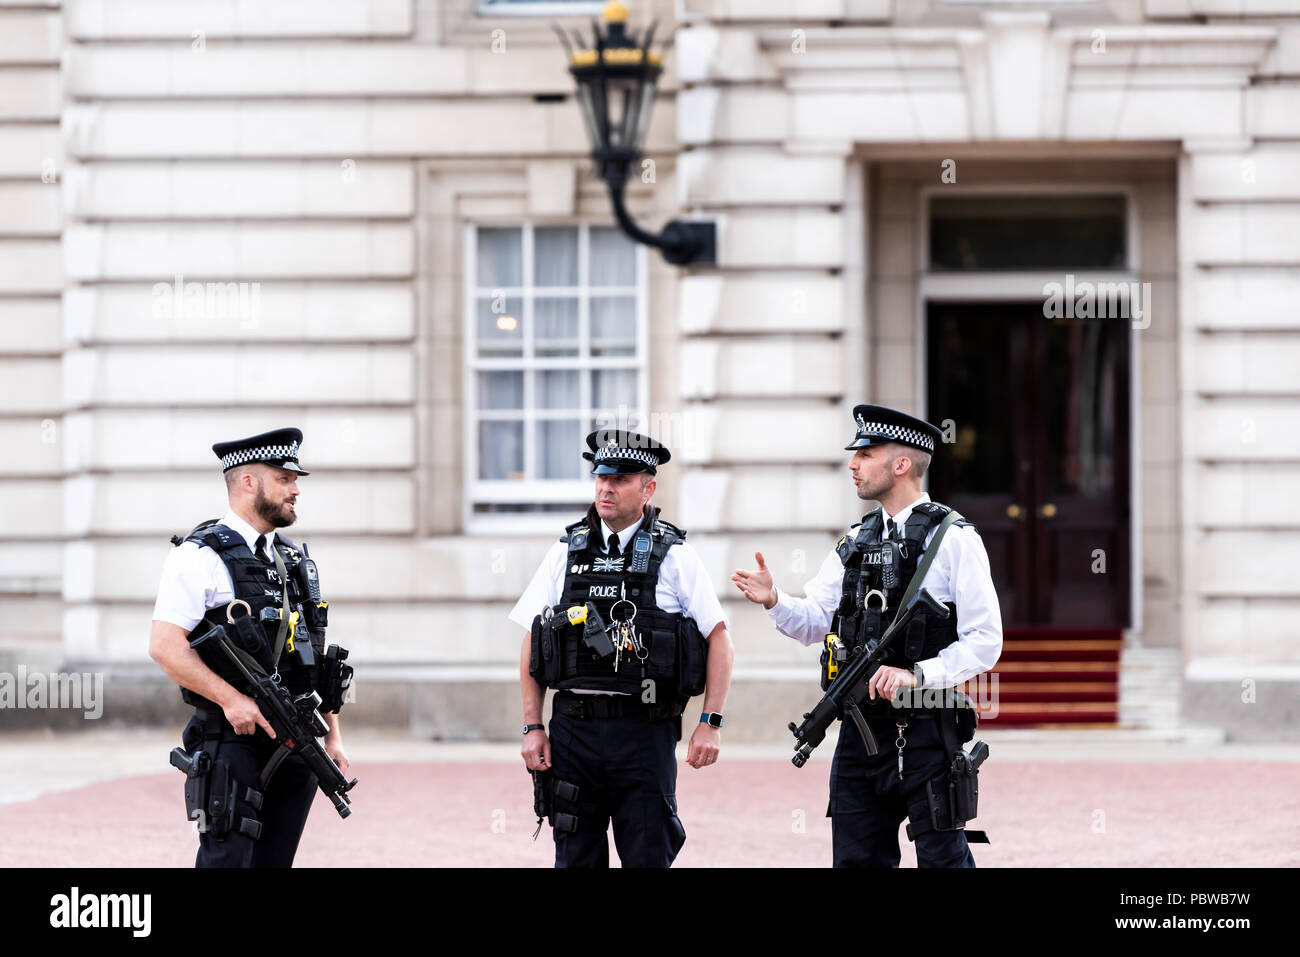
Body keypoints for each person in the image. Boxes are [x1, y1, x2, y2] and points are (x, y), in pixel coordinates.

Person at [732, 405, 1002, 867]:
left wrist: (918, 675)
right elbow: (816, 619)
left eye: (865, 453)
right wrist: (775, 599)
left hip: (926, 734)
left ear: (900, 465)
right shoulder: (856, 540)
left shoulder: (953, 539)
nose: (853, 464)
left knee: (944, 861)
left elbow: (984, 640)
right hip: (860, 736)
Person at [511, 428, 734, 868]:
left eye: (620, 480)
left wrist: (711, 720)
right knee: (574, 857)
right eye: (601, 478)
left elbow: (719, 639)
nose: (606, 488)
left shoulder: (675, 556)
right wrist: (532, 726)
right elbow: (532, 642)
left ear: (648, 488)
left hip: (644, 732)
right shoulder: (565, 552)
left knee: (649, 853)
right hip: (574, 730)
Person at [149, 427, 352, 868]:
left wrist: (331, 735)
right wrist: (232, 700)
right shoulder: (199, 556)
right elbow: (165, 645)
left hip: (296, 743)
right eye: (284, 478)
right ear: (247, 482)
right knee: (227, 861)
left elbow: (311, 655)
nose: (296, 489)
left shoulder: (294, 560)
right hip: (232, 741)